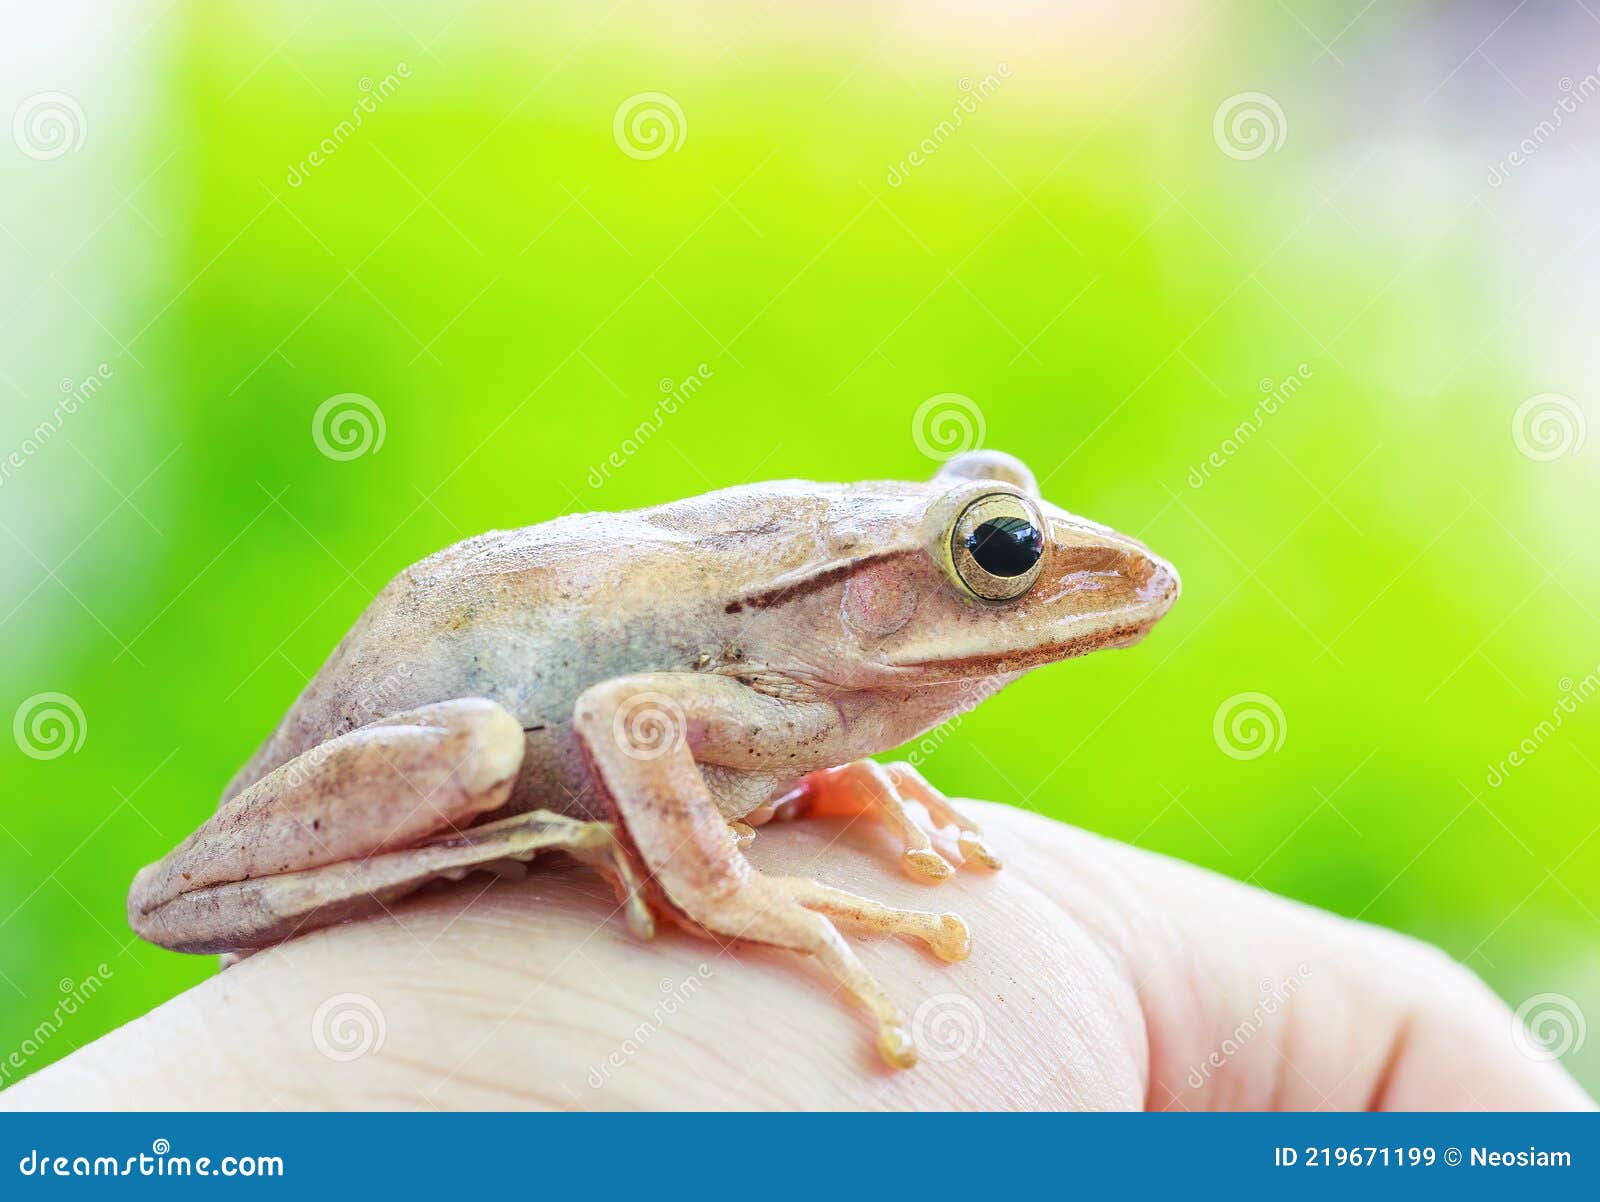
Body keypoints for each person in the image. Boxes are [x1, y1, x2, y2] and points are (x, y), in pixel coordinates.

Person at [5, 803, 1591, 1110]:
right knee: (499, 736)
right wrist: (746, 900)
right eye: (997, 554)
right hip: (458, 740)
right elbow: (629, 722)